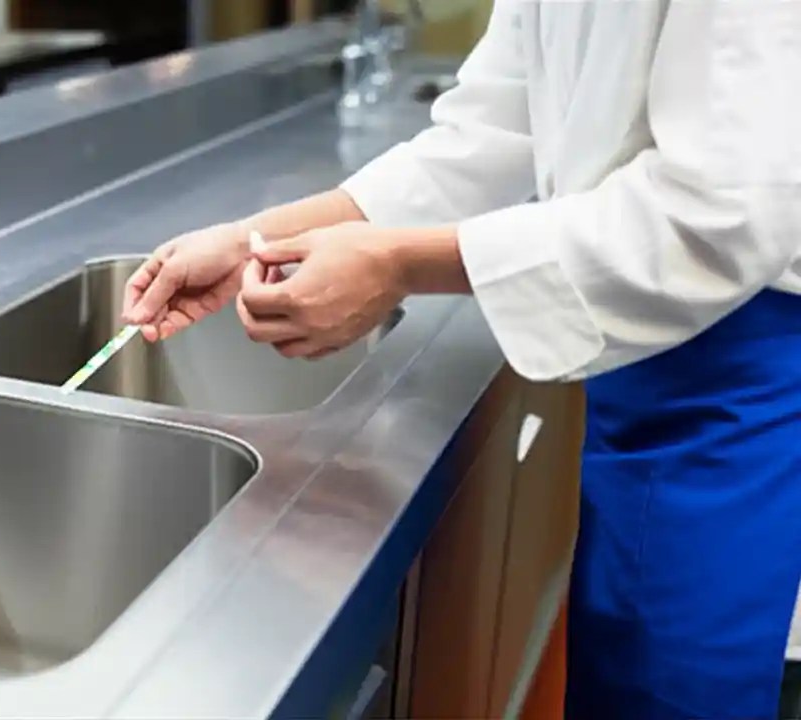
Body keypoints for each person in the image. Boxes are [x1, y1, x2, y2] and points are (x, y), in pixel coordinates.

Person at [120, 2, 801, 718]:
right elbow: (492, 131)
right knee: (632, 675)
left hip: (750, 380)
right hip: (650, 372)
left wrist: (400, 265)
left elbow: (721, 212)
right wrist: (253, 240)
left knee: (688, 689)